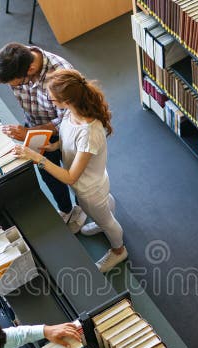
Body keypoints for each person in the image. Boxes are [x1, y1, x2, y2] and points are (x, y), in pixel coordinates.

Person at [12, 69, 128, 273]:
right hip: (95, 181)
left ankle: (119, 251)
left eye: (53, 99)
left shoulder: (89, 133)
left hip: (89, 189)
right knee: (102, 206)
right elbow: (67, 139)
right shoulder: (71, 113)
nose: (50, 100)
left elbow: (70, 177)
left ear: (66, 100)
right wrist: (54, 148)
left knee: (107, 221)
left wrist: (37, 158)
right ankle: (103, 219)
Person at [0, 42, 88, 233]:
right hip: (35, 126)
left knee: (77, 174)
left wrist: (30, 134)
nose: (12, 88)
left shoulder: (61, 73)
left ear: (30, 69)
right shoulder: (9, 62)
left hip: (71, 133)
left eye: (16, 84)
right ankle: (66, 209)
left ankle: (84, 208)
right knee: (48, 173)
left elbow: (69, 119)